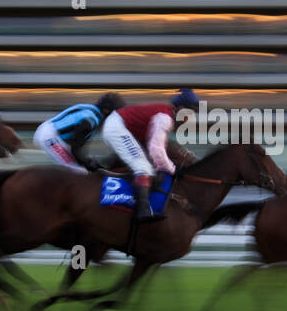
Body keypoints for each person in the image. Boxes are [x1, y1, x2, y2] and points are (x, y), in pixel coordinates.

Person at [101, 88, 199, 222]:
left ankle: (101, 167)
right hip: (116, 127)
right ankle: (143, 211)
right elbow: (156, 149)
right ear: (181, 108)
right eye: (190, 113)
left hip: (118, 126)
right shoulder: (165, 118)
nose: (190, 119)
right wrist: (173, 169)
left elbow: (159, 147)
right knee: (143, 167)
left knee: (147, 166)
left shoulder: (166, 115)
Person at [34, 93, 126, 173]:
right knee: (77, 171)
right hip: (50, 137)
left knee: (77, 168)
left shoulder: (90, 109)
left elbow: (75, 147)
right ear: (106, 111)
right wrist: (89, 164)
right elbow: (75, 147)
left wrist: (87, 162)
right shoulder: (91, 120)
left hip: (47, 131)